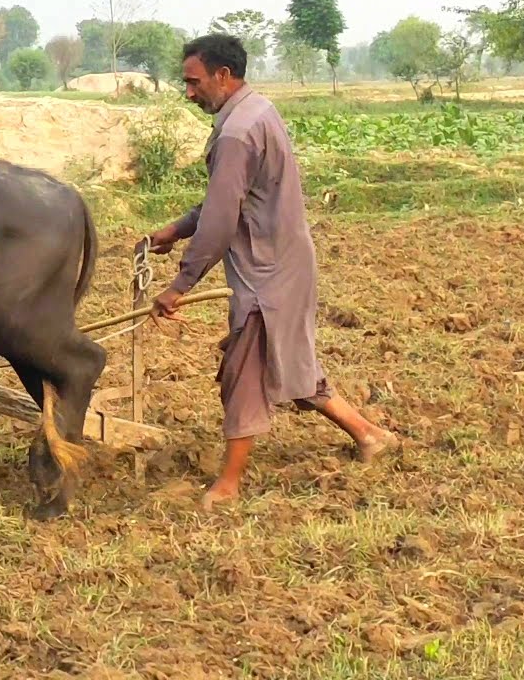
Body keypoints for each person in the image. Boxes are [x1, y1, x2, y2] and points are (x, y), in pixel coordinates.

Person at [147, 33, 398, 511]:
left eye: (194, 82)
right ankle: (368, 434)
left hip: (266, 272)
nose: (189, 92)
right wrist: (178, 228)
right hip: (285, 259)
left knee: (244, 371)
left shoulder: (237, 132)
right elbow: (232, 198)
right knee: (288, 362)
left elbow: (222, 220)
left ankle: (229, 485)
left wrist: (178, 286)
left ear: (223, 75)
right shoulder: (255, 110)